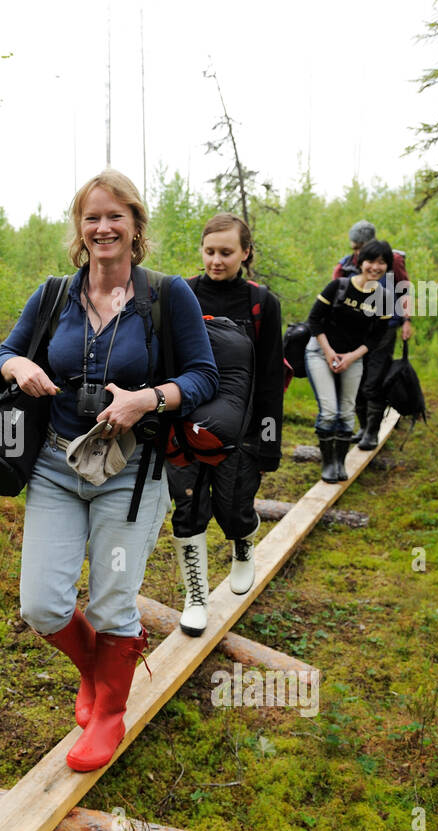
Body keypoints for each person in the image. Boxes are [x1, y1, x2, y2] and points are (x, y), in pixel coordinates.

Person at [0, 169, 218, 773]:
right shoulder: (53, 295)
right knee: (42, 605)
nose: (103, 227)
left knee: (114, 598)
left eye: (115, 216)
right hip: (56, 465)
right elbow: (6, 350)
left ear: (136, 225)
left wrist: (148, 398)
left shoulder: (168, 295)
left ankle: (110, 713)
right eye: (92, 217)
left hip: (132, 470)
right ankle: (98, 667)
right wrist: (18, 368)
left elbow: (204, 376)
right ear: (79, 228)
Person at [167, 214, 284, 637]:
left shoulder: (261, 303)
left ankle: (243, 538)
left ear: (246, 253)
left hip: (243, 433)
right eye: (210, 251)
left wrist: (269, 442)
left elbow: (271, 376)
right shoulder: (181, 294)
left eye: (227, 252)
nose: (216, 260)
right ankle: (195, 597)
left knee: (232, 509)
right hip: (183, 427)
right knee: (187, 509)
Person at [306, 238, 395, 482]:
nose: (375, 267)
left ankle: (339, 462)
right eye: (370, 261)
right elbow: (314, 320)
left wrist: (352, 357)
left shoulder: (384, 297)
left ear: (387, 266)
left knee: (346, 412)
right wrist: (329, 353)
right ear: (360, 261)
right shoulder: (338, 286)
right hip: (320, 351)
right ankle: (327, 464)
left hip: (353, 357)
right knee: (329, 411)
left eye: (382, 263)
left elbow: (378, 336)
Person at [333, 220, 413, 449]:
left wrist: (407, 319)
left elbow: (404, 288)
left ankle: (372, 432)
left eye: (362, 247)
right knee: (357, 379)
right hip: (356, 329)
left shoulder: (393, 260)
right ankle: (363, 426)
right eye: (355, 248)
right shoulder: (346, 265)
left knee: (373, 380)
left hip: (386, 327)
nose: (358, 253)